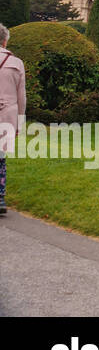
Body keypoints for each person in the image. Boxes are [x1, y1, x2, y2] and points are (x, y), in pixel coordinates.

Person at [0, 23, 26, 217]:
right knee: (0, 156)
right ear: (5, 41)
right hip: (7, 114)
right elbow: (21, 97)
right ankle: (0, 197)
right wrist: (20, 123)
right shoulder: (16, 63)